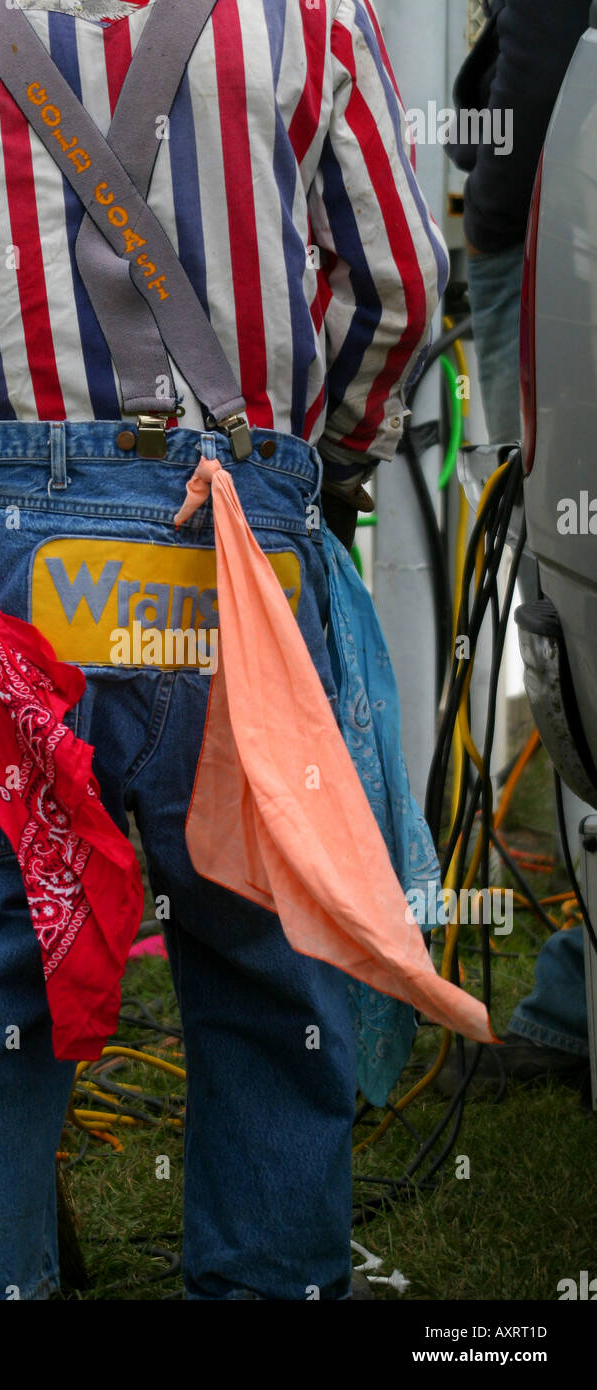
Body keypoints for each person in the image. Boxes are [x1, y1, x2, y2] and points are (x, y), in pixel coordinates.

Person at [0, 0, 450, 1300]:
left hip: (3, 567)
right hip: (232, 549)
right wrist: (321, 468)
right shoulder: (308, 9)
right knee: (269, 962)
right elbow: (402, 289)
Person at [444, 0, 592, 1095]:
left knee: (565, 621)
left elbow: (541, 61)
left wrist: (495, 224)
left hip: (551, 245)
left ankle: (567, 1003)